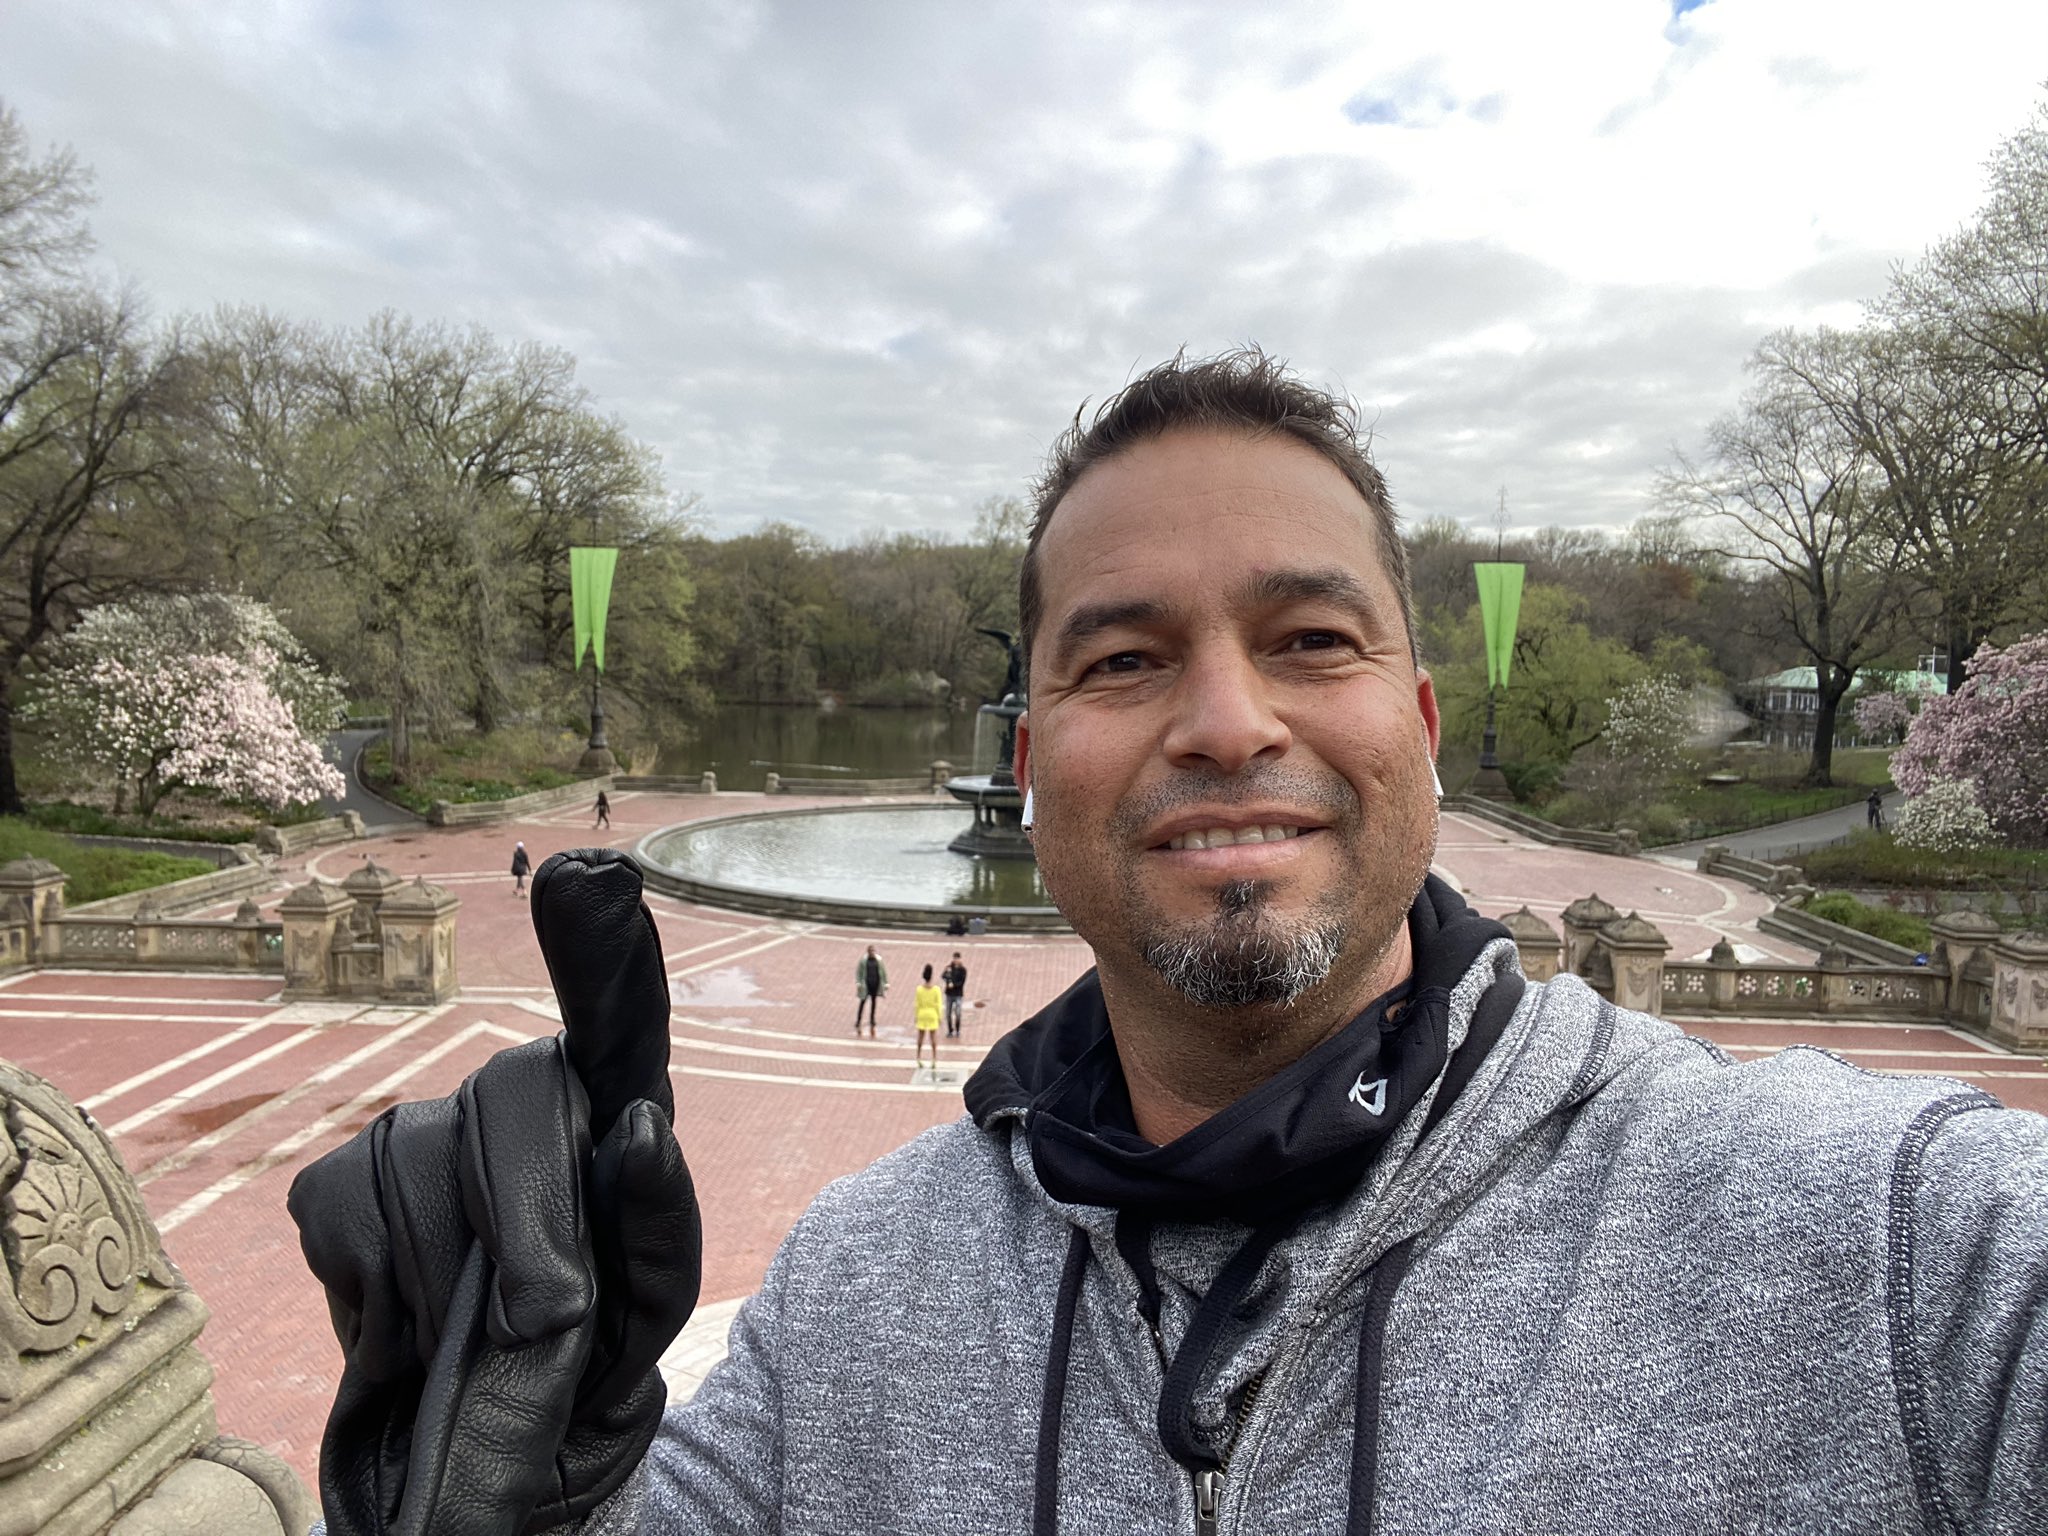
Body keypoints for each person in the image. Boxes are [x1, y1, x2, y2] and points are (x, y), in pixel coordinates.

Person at [292, 350, 2048, 1536]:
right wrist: (531, 1490)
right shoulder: (853, 1292)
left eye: (1306, 637)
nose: (1222, 720)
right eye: (1122, 658)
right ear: (1032, 757)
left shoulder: (1892, 1242)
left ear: (1419, 722)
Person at [853, 944, 886, 1037]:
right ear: (868, 952)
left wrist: (885, 983)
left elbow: (883, 972)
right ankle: (858, 1020)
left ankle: (872, 1019)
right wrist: (858, 982)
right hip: (866, 985)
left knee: (873, 1003)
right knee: (862, 1002)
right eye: (870, 951)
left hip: (875, 984)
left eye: (873, 951)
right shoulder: (864, 961)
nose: (872, 952)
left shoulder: (878, 961)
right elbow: (859, 972)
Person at [913, 964, 942, 1068]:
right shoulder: (936, 989)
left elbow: (916, 1004)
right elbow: (938, 1004)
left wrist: (915, 1016)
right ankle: (934, 1058)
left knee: (920, 1037)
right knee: (933, 1037)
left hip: (922, 1013)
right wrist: (940, 1017)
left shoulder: (919, 989)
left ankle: (918, 1057)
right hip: (932, 1014)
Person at [942, 950, 968, 1037]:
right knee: (948, 1013)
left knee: (958, 1013)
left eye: (957, 958)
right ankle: (950, 1030)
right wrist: (946, 975)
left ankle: (957, 1030)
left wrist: (953, 984)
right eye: (954, 958)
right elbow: (943, 976)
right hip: (949, 994)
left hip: (958, 994)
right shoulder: (949, 968)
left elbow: (962, 982)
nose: (956, 960)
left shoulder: (963, 970)